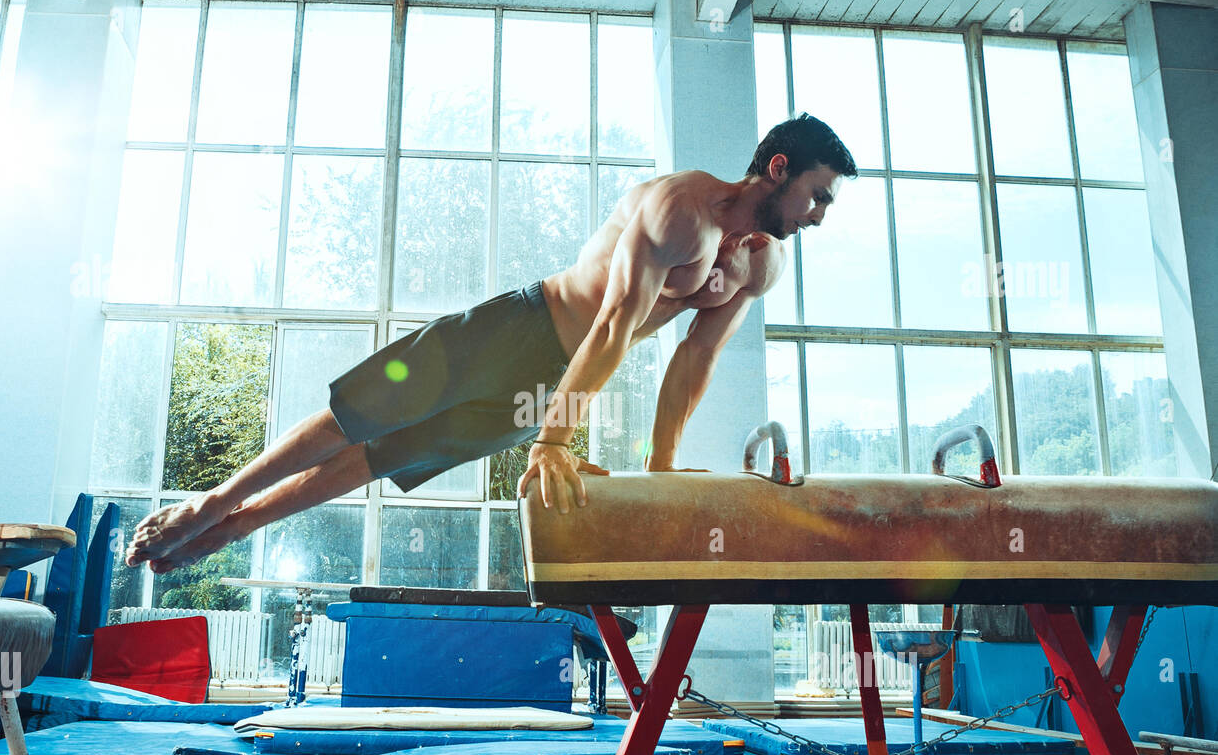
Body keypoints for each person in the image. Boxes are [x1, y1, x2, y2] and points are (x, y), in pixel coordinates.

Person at [125, 114, 857, 574]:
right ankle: (213, 504)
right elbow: (610, 324)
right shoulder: (681, 212)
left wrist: (660, 464)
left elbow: (693, 360)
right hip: (523, 328)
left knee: (381, 458)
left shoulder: (761, 262)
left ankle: (233, 530)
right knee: (361, 416)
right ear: (781, 169)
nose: (821, 215)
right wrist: (554, 441)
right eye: (819, 195)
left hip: (550, 383)